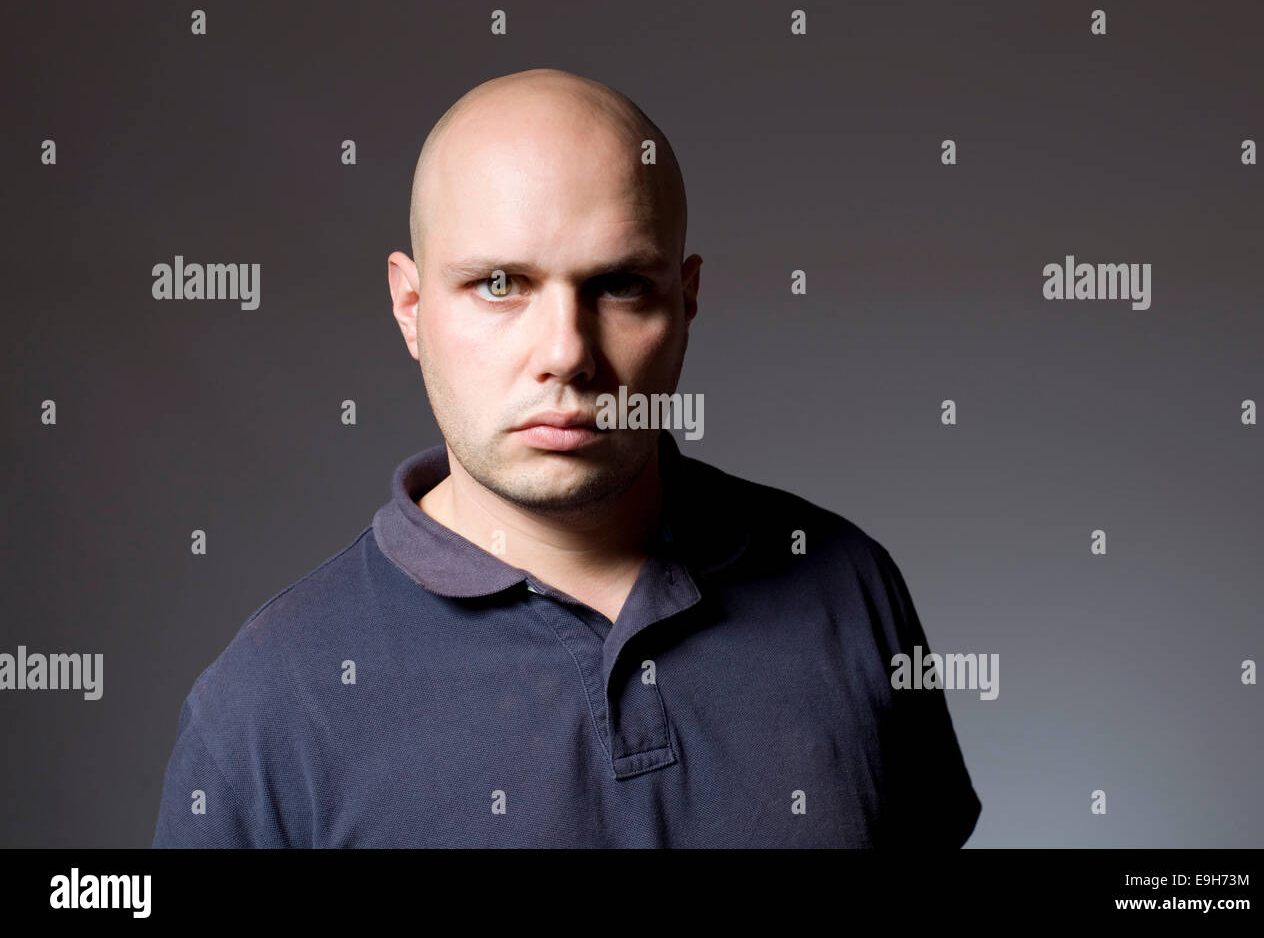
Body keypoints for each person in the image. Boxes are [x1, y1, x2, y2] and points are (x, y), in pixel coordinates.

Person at [152, 67, 980, 847]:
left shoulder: (848, 587)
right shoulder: (268, 704)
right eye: (500, 284)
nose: (566, 354)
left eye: (619, 285)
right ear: (410, 306)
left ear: (686, 301)